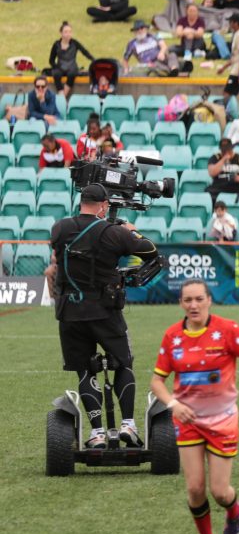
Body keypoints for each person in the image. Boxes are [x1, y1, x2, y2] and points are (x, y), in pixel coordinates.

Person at [151, 280, 239, 534]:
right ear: (181, 303)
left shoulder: (228, 330)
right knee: (194, 488)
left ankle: (234, 510)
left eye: (198, 299)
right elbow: (157, 381)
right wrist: (173, 404)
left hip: (222, 421)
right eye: (187, 300)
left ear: (209, 300)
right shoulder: (172, 337)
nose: (193, 305)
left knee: (219, 491)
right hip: (188, 421)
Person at [50, 183, 158, 449]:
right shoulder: (114, 233)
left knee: (85, 370)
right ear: (104, 205)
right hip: (105, 311)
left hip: (70, 312)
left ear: (81, 202)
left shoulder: (59, 228)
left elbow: (56, 255)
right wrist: (131, 232)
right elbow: (150, 251)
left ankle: (97, 432)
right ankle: (128, 426)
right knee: (123, 363)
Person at [207, 138, 239, 224]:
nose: (226, 151)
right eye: (223, 150)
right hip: (219, 184)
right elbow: (212, 172)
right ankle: (212, 220)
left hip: (236, 185)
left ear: (232, 148)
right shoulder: (215, 158)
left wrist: (237, 178)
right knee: (208, 194)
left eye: (228, 149)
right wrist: (223, 160)